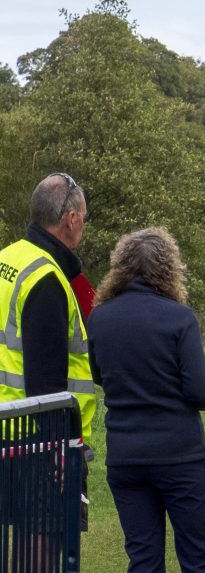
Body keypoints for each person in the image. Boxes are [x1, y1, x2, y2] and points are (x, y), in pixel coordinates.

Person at [86, 228, 205, 573]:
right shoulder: (178, 318)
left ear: (120, 266)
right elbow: (199, 388)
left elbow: (98, 375)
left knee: (143, 559)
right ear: (169, 268)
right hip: (180, 454)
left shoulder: (101, 318)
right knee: (199, 559)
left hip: (126, 453)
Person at [0, 172, 97, 462]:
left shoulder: (8, 256)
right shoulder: (45, 277)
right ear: (71, 219)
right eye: (83, 217)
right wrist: (61, 448)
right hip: (33, 441)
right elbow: (47, 382)